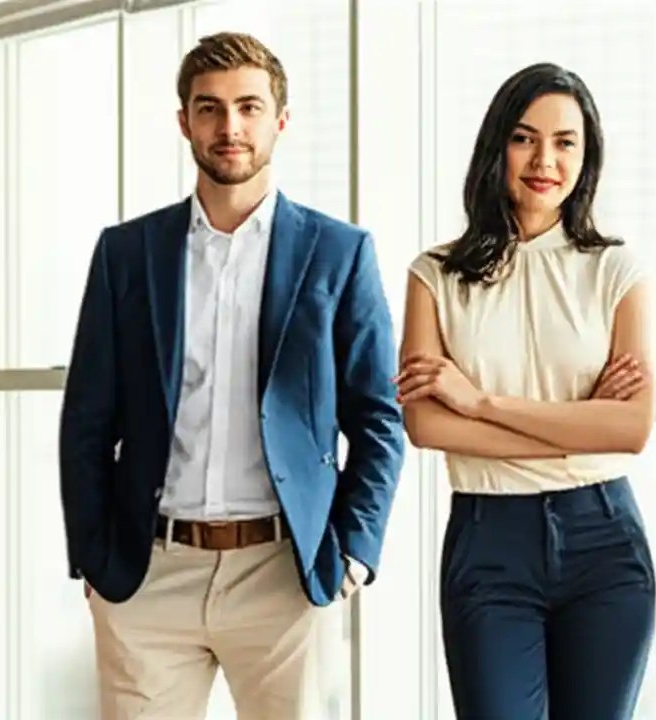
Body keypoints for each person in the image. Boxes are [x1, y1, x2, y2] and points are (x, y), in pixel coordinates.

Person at [58, 32, 404, 719]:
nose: (230, 127)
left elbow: (378, 419)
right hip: (149, 573)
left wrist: (354, 555)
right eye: (209, 108)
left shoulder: (339, 253)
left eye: (249, 107)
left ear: (280, 119)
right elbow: (87, 420)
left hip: (284, 573)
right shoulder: (126, 255)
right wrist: (92, 555)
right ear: (184, 121)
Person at [396, 62, 656, 720]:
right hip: (490, 540)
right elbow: (426, 427)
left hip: (605, 541)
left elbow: (629, 431)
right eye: (525, 137)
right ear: (496, 148)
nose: (545, 159)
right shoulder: (434, 276)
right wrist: (578, 423)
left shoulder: (616, 270)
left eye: (566, 141)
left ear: (586, 154)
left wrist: (480, 402)